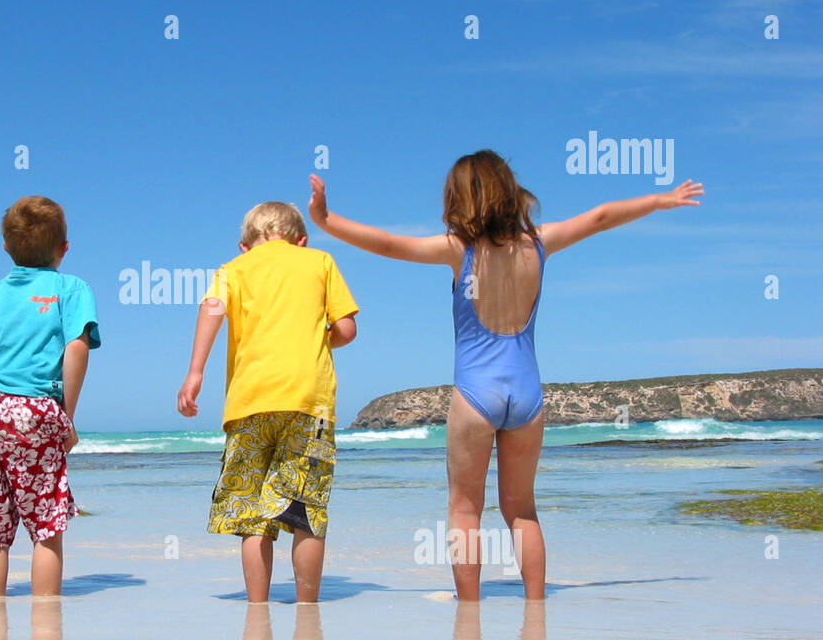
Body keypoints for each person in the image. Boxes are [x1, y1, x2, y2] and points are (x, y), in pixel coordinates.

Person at [308, 151, 703, 601]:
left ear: (458, 198)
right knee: (522, 510)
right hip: (528, 395)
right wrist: (659, 200)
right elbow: (600, 217)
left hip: (477, 395)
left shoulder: (458, 249)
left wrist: (325, 218)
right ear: (511, 192)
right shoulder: (540, 243)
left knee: (464, 509)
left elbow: (386, 243)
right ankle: (537, 604)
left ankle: (469, 607)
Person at [178, 201, 359, 603]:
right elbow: (346, 329)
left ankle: (257, 608)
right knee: (305, 511)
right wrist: (317, 339)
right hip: (308, 401)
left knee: (252, 515)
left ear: (245, 246)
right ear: (302, 240)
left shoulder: (233, 270)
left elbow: (212, 308)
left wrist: (195, 372)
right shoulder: (320, 261)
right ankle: (307, 606)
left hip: (249, 403)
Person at [0, 196, 100, 597]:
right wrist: (67, 415)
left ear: (6, 247)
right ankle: (46, 622)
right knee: (46, 525)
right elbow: (77, 348)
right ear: (64, 248)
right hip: (37, 408)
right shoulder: (71, 288)